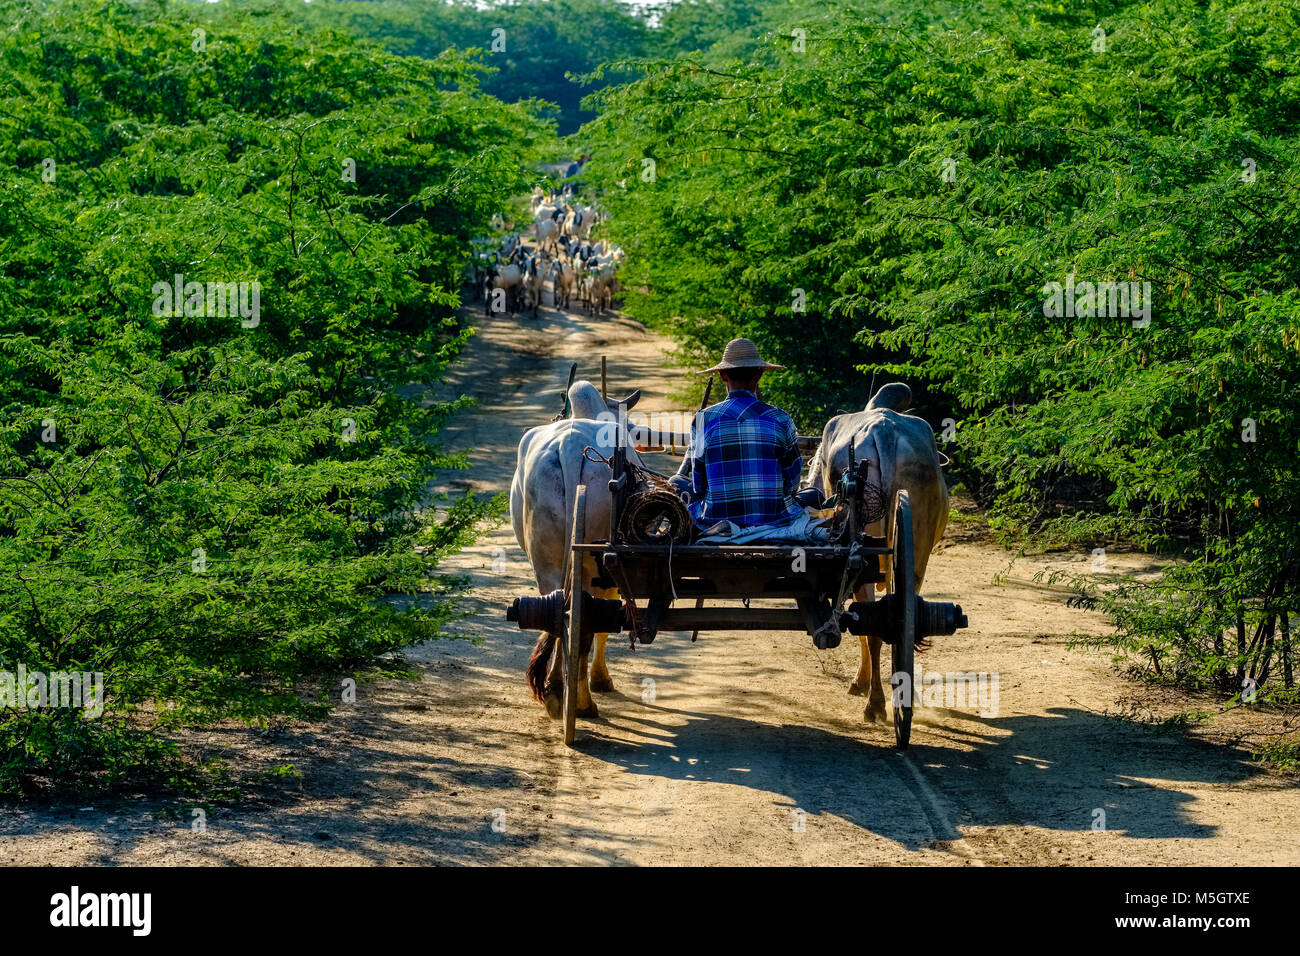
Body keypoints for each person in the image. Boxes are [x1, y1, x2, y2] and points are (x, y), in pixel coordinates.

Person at [669, 338, 807, 528]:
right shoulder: (781, 420)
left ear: (723, 375)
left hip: (716, 520)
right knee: (812, 496)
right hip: (774, 519)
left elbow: (698, 485)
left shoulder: (703, 419)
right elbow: (793, 483)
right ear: (759, 375)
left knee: (676, 482)